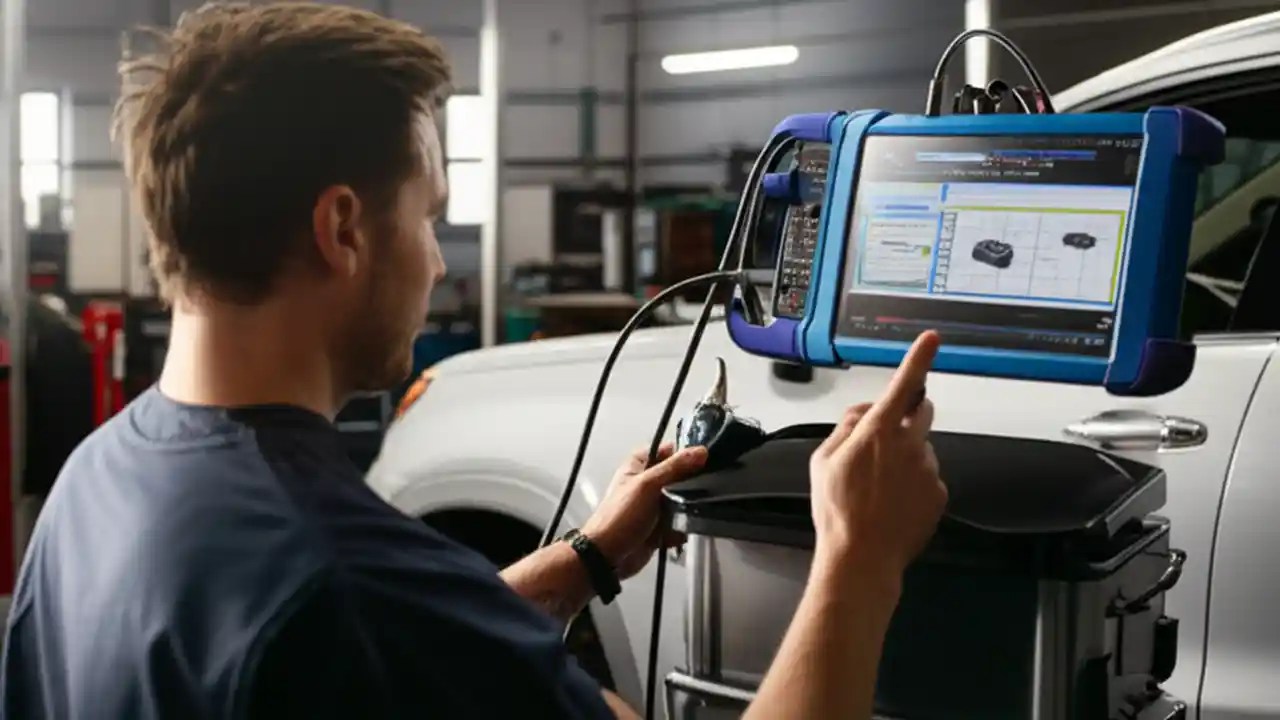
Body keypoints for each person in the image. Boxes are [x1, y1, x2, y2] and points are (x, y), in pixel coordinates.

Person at [0, 4, 947, 720]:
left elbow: (407, 645)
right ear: (342, 229)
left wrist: (589, 556)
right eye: (430, 214)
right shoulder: (346, 583)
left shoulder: (95, 484)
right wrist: (860, 559)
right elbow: (383, 623)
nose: (441, 259)